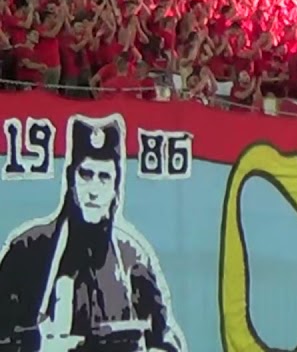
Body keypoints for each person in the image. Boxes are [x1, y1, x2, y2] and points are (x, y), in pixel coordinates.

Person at [0, 115, 185, 352]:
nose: (94, 190)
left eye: (104, 178)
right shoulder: (28, 250)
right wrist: (37, 344)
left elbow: (165, 335)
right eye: (86, 175)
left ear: (116, 188)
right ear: (71, 179)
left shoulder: (132, 257)